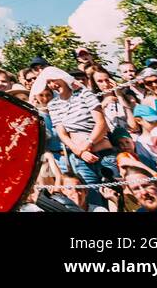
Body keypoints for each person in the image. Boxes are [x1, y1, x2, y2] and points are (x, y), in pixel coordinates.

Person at [32, 66, 118, 210]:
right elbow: (62, 134)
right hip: (80, 159)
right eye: (49, 83)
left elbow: (101, 123)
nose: (53, 85)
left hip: (104, 154)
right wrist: (80, 152)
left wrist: (86, 145)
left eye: (54, 80)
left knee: (115, 196)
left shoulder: (84, 94)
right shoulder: (53, 105)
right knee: (91, 201)